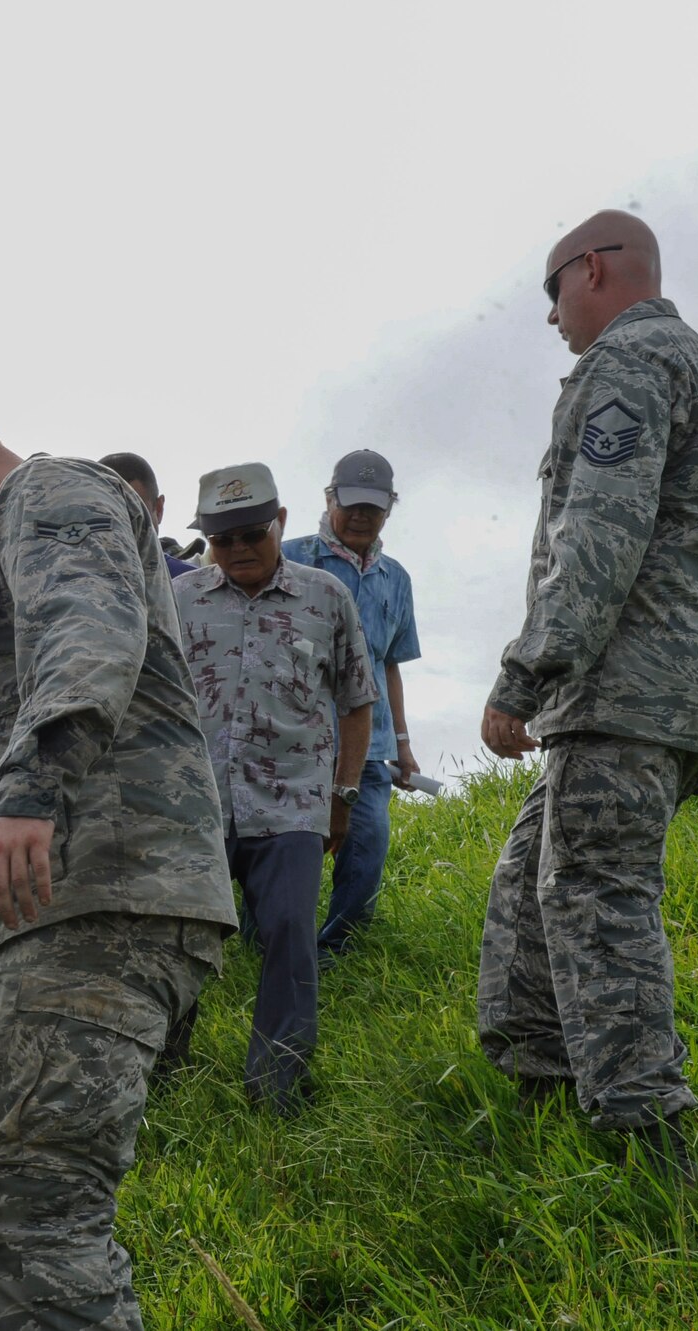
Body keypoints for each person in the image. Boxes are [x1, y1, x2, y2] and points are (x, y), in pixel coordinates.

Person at [0, 375, 237, 1330]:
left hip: (105, 899)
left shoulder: (57, 494)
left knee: (31, 1220)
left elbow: (89, 628)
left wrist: (31, 788)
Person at [478, 210, 698, 1182]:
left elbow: (595, 538)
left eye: (553, 293)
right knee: (531, 874)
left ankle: (647, 1144)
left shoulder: (627, 362)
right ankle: (535, 1077)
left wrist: (523, 674)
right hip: (681, 701)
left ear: (590, 270)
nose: (553, 317)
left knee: (598, 898)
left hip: (620, 695)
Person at [175, 464, 377, 1112]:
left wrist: (342, 796)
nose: (236, 549)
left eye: (249, 534)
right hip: (197, 803)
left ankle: (277, 1086)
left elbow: (356, 702)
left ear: (281, 523)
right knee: (177, 937)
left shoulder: (328, 599)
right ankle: (160, 1071)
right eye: (220, 538)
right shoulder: (181, 602)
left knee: (290, 931)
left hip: (291, 799)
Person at [283, 449, 422, 954]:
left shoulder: (397, 579)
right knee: (283, 856)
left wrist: (402, 743)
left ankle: (336, 952)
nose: (362, 515)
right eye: (352, 504)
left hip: (369, 747)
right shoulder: (289, 557)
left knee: (366, 850)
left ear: (389, 508)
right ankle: (269, 947)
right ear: (329, 499)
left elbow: (391, 662)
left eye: (375, 507)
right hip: (295, 742)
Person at [99, 451, 195, 577]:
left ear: (159, 509)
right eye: (109, 513)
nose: (123, 525)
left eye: (134, 513)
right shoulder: (71, 579)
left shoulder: (191, 585)